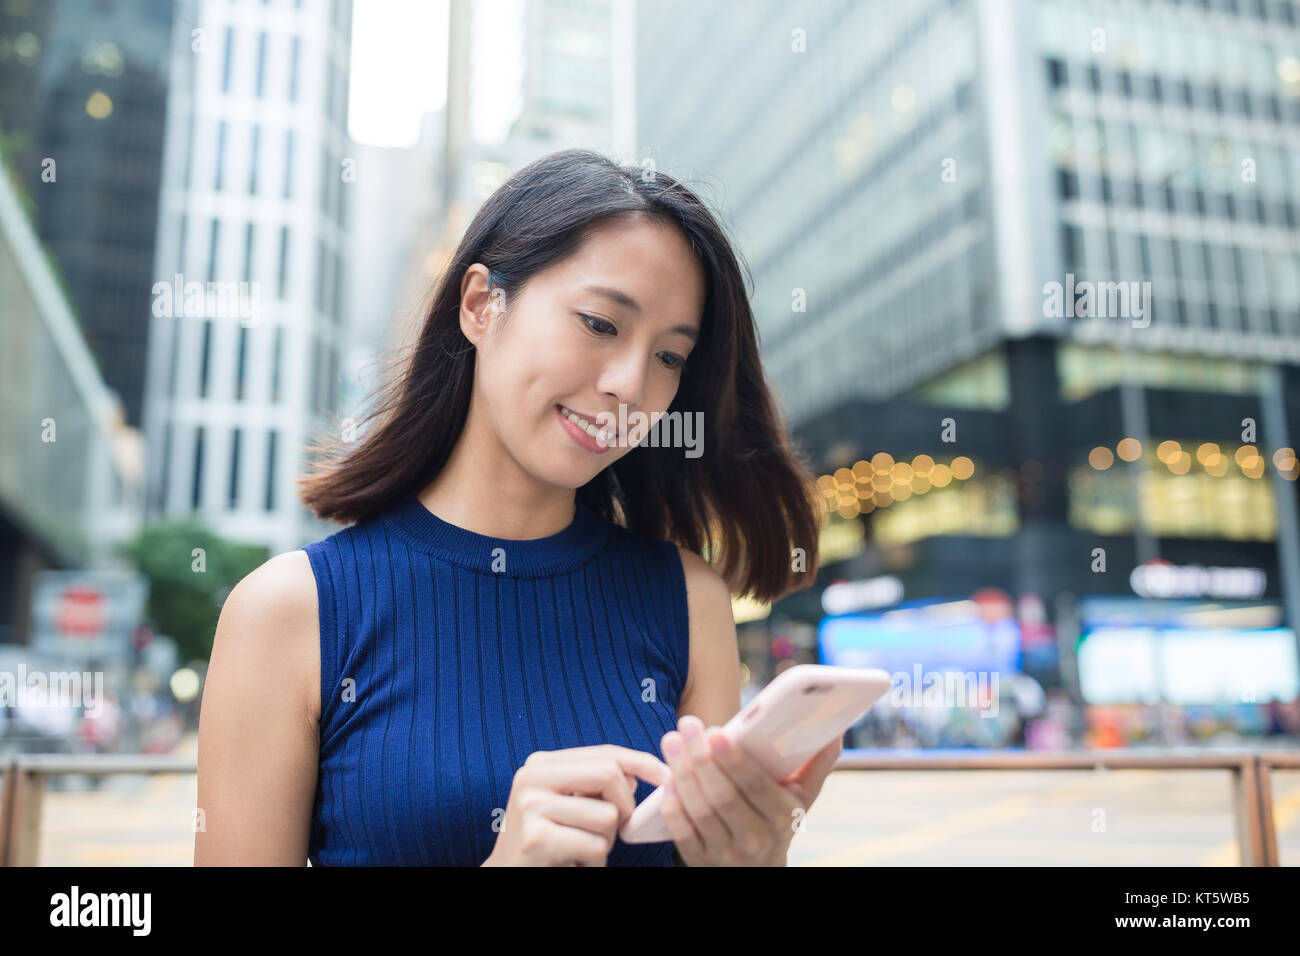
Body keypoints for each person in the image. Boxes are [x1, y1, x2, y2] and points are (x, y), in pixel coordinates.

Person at [194, 149, 838, 867]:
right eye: (600, 323)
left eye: (669, 357)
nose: (631, 384)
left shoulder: (688, 601)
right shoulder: (290, 613)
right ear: (480, 305)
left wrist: (753, 856)